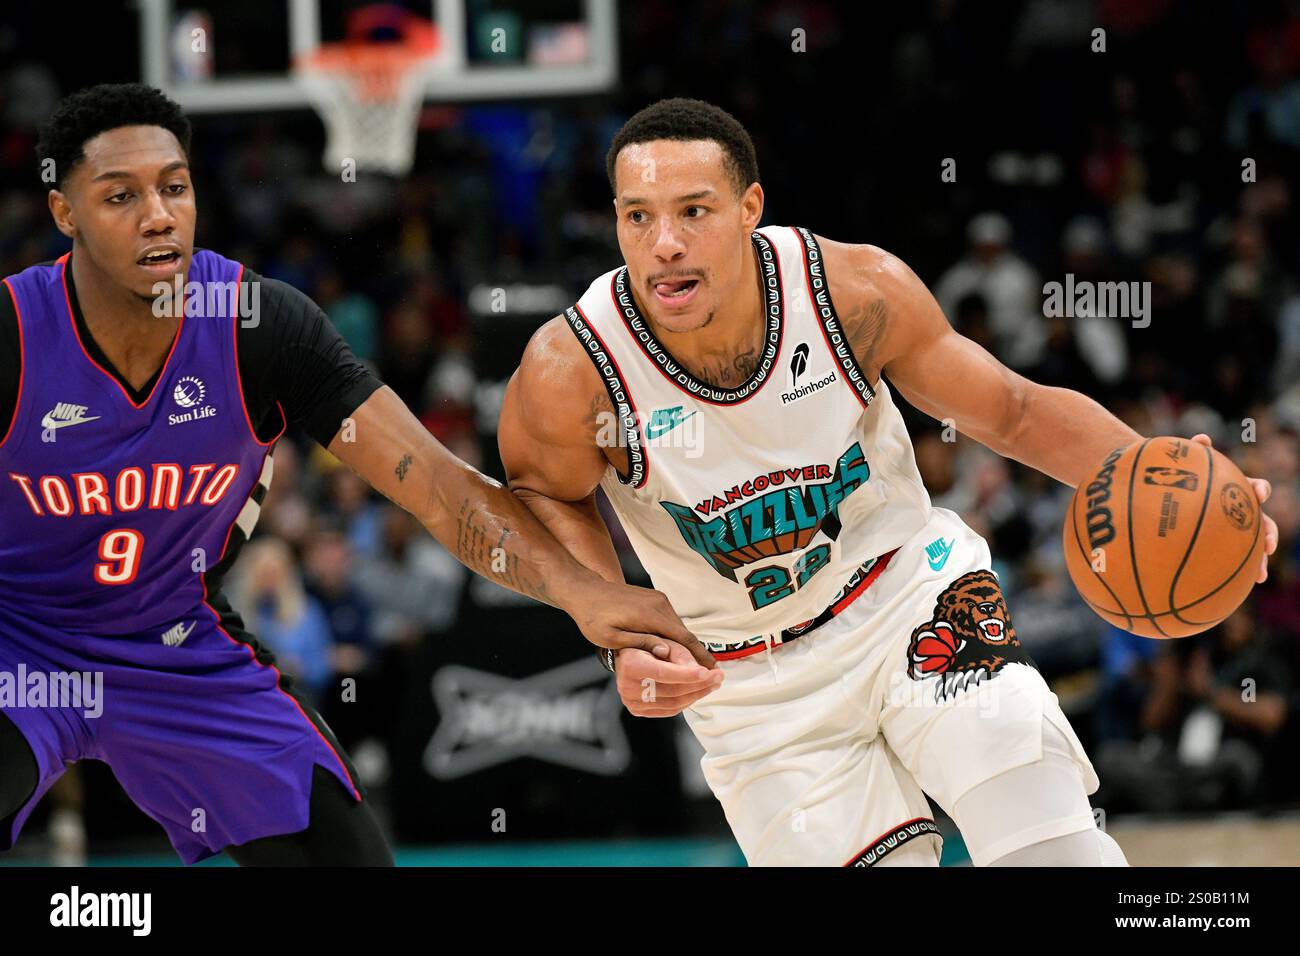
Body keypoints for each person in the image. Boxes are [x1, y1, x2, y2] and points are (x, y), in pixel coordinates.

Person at [497, 97, 1279, 867]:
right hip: (746, 677)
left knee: (1054, 854)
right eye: (638, 217)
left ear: (749, 207)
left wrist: (1185, 489)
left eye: (693, 210)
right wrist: (617, 638)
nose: (664, 242)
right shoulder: (573, 368)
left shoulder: (851, 290)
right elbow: (544, 498)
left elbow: (1011, 411)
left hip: (910, 599)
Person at [0, 84, 705, 867]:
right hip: (18, 642)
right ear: (64, 214)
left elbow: (438, 488)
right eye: (119, 196)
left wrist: (591, 598)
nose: (158, 215)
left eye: (174, 186)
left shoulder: (259, 327)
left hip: (176, 646)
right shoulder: (13, 337)